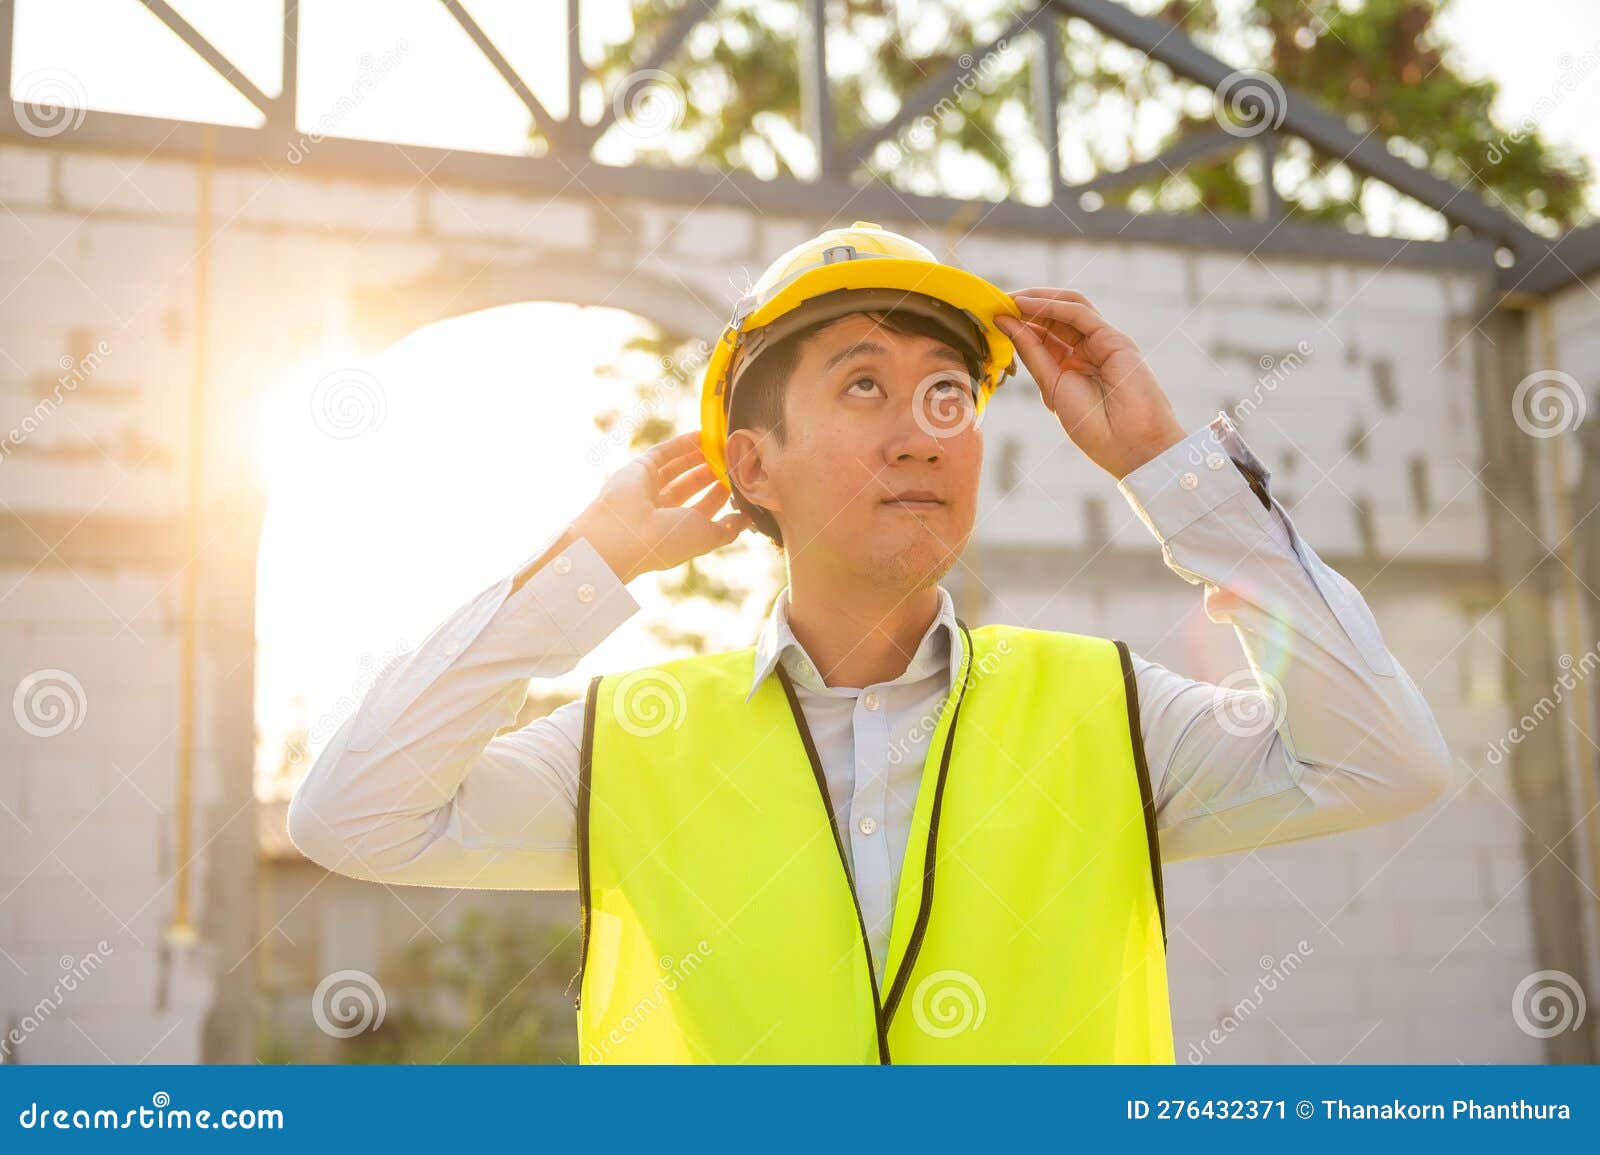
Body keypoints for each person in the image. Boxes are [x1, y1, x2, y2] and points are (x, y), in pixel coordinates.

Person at [289, 221, 1451, 1065]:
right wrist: (581, 565)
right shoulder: (628, 743)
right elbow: (350, 814)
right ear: (753, 465)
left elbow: (1384, 763)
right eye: (863, 386)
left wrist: (1170, 471)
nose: (923, 434)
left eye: (951, 395)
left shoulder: (1107, 712)